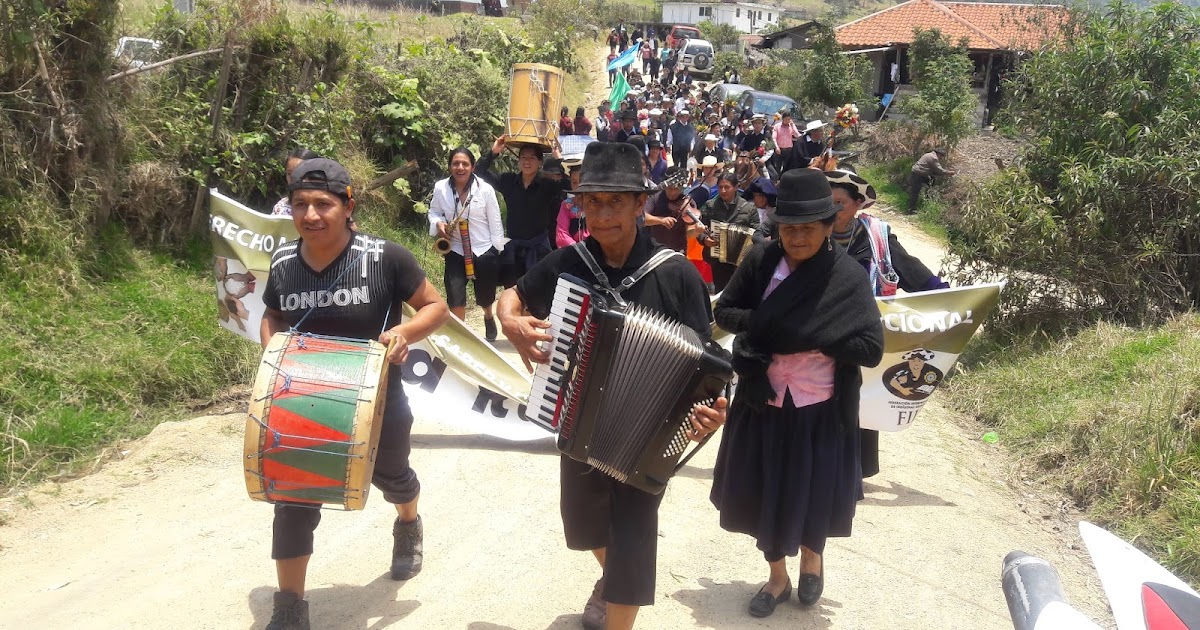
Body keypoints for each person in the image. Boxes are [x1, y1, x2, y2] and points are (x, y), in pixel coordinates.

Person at [497, 141, 728, 630]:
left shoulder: (677, 275)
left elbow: (708, 367)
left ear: (640, 203)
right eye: (592, 202)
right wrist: (513, 324)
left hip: (650, 434)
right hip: (578, 421)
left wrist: (710, 412)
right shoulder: (570, 264)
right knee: (583, 527)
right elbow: (510, 299)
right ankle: (610, 579)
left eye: (615, 202)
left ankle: (619, 602)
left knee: (632, 538)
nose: (601, 216)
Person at [260, 158, 451, 630]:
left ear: (348, 206)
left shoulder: (385, 257)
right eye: (300, 204)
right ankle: (289, 607)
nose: (310, 215)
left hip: (377, 401)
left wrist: (405, 332)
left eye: (323, 204)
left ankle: (408, 522)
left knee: (393, 477)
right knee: (294, 495)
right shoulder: (285, 263)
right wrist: (276, 354)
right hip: (303, 402)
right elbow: (272, 316)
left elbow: (436, 306)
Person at [710, 168, 884, 617]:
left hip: (818, 409)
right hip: (762, 400)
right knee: (765, 490)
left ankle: (812, 559)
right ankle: (777, 577)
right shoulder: (761, 261)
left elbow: (869, 348)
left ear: (829, 227)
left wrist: (810, 333)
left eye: (808, 228)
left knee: (811, 493)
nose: (798, 237)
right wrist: (772, 326)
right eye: (789, 228)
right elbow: (727, 311)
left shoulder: (845, 277)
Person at [825, 168, 948, 477]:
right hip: (818, 333)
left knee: (858, 401)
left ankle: (850, 472)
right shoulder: (810, 232)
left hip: (862, 338)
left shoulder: (876, 237)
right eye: (828, 201)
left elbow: (911, 271)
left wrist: (947, 298)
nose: (833, 209)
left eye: (840, 202)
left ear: (857, 204)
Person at [428, 148, 506, 340]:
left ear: (472, 167)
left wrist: (497, 250)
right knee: (455, 294)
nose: (460, 167)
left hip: (483, 249)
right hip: (454, 248)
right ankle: (461, 338)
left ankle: (488, 315)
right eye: (455, 163)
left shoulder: (485, 189)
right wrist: (438, 223)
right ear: (449, 166)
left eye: (465, 164)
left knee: (485, 295)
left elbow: (495, 221)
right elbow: (434, 212)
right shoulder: (440, 188)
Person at [476, 135, 565, 288]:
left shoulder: (547, 185)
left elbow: (570, 183)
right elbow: (478, 172)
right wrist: (494, 152)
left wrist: (559, 159)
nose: (526, 161)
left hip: (538, 249)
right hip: (512, 249)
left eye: (531, 158)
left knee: (535, 293)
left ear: (540, 162)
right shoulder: (508, 181)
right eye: (523, 157)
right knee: (511, 292)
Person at [698, 173, 759, 291]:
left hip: (741, 263)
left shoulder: (749, 208)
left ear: (736, 187)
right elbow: (701, 229)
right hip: (716, 261)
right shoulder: (710, 206)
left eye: (727, 187)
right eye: (720, 187)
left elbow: (757, 233)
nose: (723, 191)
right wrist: (704, 239)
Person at [646, 165, 703, 253]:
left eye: (676, 189)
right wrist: (661, 220)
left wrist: (697, 231)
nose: (672, 193)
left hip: (678, 251)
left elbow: (689, 232)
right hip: (656, 249)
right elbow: (642, 218)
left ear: (682, 187)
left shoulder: (688, 203)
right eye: (669, 188)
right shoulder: (655, 198)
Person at [271, 148, 320, 216]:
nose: (294, 179)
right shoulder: (281, 206)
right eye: (289, 174)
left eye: (300, 173)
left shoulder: (327, 205)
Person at [908, 147, 955, 214]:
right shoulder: (934, 158)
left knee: (931, 180)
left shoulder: (928, 154)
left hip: (917, 173)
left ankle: (927, 196)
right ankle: (911, 210)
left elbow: (933, 171)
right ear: (938, 154)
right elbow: (939, 170)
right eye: (941, 156)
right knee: (915, 192)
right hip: (918, 175)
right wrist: (949, 172)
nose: (941, 158)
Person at [555, 164, 589, 247]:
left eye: (581, 182)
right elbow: (562, 233)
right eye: (574, 182)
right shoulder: (567, 205)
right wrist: (577, 249)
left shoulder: (599, 203)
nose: (578, 186)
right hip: (573, 250)